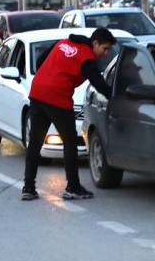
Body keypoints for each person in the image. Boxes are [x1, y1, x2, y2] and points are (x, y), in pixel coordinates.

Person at [23, 27, 116, 201]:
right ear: (95, 43)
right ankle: (73, 187)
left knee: (35, 142)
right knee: (70, 142)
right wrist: (116, 96)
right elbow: (99, 84)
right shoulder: (87, 58)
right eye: (105, 48)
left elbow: (42, 58)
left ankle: (28, 187)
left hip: (37, 91)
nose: (105, 53)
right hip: (57, 97)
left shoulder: (63, 42)